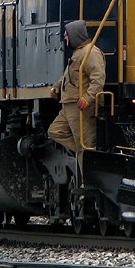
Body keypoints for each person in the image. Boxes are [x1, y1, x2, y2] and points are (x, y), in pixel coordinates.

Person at [48, 20, 105, 170]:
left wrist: (88, 97)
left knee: (85, 144)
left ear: (75, 35)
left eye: (67, 35)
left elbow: (98, 78)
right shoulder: (78, 53)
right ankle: (86, 151)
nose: (65, 39)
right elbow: (69, 75)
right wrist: (57, 88)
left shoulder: (91, 53)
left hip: (81, 107)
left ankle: (88, 180)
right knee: (55, 131)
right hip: (69, 104)